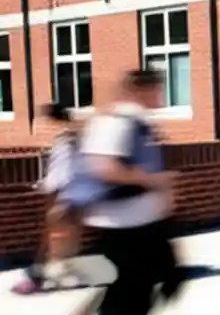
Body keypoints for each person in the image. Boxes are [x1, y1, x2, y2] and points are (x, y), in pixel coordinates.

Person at [81, 68, 183, 315]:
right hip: (123, 224)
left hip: (144, 221)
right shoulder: (117, 122)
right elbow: (102, 166)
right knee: (134, 291)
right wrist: (150, 180)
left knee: (149, 284)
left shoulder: (138, 122)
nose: (161, 94)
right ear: (142, 90)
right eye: (157, 88)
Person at [11, 103, 85, 295]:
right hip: (65, 193)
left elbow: (65, 171)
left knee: (58, 235)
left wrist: (60, 199)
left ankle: (46, 275)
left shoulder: (68, 140)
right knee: (59, 235)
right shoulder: (71, 138)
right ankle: (47, 274)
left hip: (63, 193)